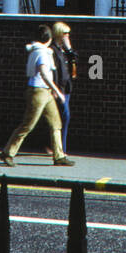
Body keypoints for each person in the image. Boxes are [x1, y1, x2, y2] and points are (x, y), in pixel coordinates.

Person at [0, 24, 75, 167]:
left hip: (45, 91)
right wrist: (58, 91)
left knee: (56, 123)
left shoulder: (38, 51)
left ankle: (59, 156)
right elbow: (44, 74)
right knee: (28, 125)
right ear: (49, 38)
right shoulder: (41, 53)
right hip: (38, 91)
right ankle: (7, 153)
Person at [49, 21, 76, 155]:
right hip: (59, 88)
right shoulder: (53, 50)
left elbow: (74, 62)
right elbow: (54, 71)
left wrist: (69, 49)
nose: (67, 36)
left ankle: (58, 147)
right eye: (65, 33)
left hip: (66, 88)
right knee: (64, 115)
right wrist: (55, 89)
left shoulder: (64, 50)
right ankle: (59, 149)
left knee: (63, 117)